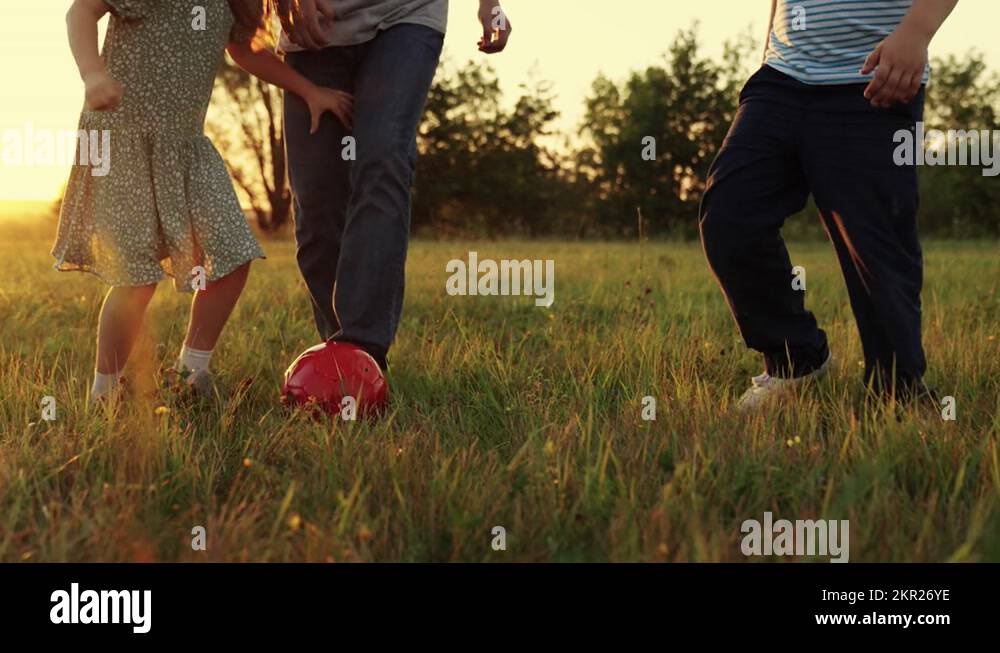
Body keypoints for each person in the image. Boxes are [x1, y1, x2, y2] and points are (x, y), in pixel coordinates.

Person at [56, 0, 353, 403]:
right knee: (136, 279)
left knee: (233, 252)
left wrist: (309, 91)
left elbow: (244, 50)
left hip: (186, 145)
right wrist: (93, 74)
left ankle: (190, 372)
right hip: (120, 138)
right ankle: (104, 394)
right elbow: (81, 12)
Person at [698, 0, 959, 410]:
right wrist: (769, 52)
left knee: (876, 246)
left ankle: (899, 392)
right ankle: (795, 361)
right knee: (730, 215)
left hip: (876, 76)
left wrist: (916, 33)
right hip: (781, 78)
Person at [273, 0, 512, 376]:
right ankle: (338, 354)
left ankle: (363, 352)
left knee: (383, 156)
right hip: (314, 27)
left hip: (407, 16)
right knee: (316, 197)